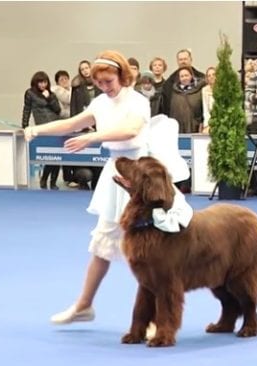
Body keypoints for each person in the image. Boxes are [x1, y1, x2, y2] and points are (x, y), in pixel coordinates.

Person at [24, 50, 152, 324]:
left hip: (141, 176)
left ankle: (155, 316)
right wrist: (36, 130)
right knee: (102, 243)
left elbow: (130, 131)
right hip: (116, 175)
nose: (105, 87)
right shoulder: (99, 103)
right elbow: (71, 123)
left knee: (148, 250)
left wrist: (92, 138)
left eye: (109, 81)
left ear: (121, 75)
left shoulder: (138, 101)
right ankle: (83, 305)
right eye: (100, 83)